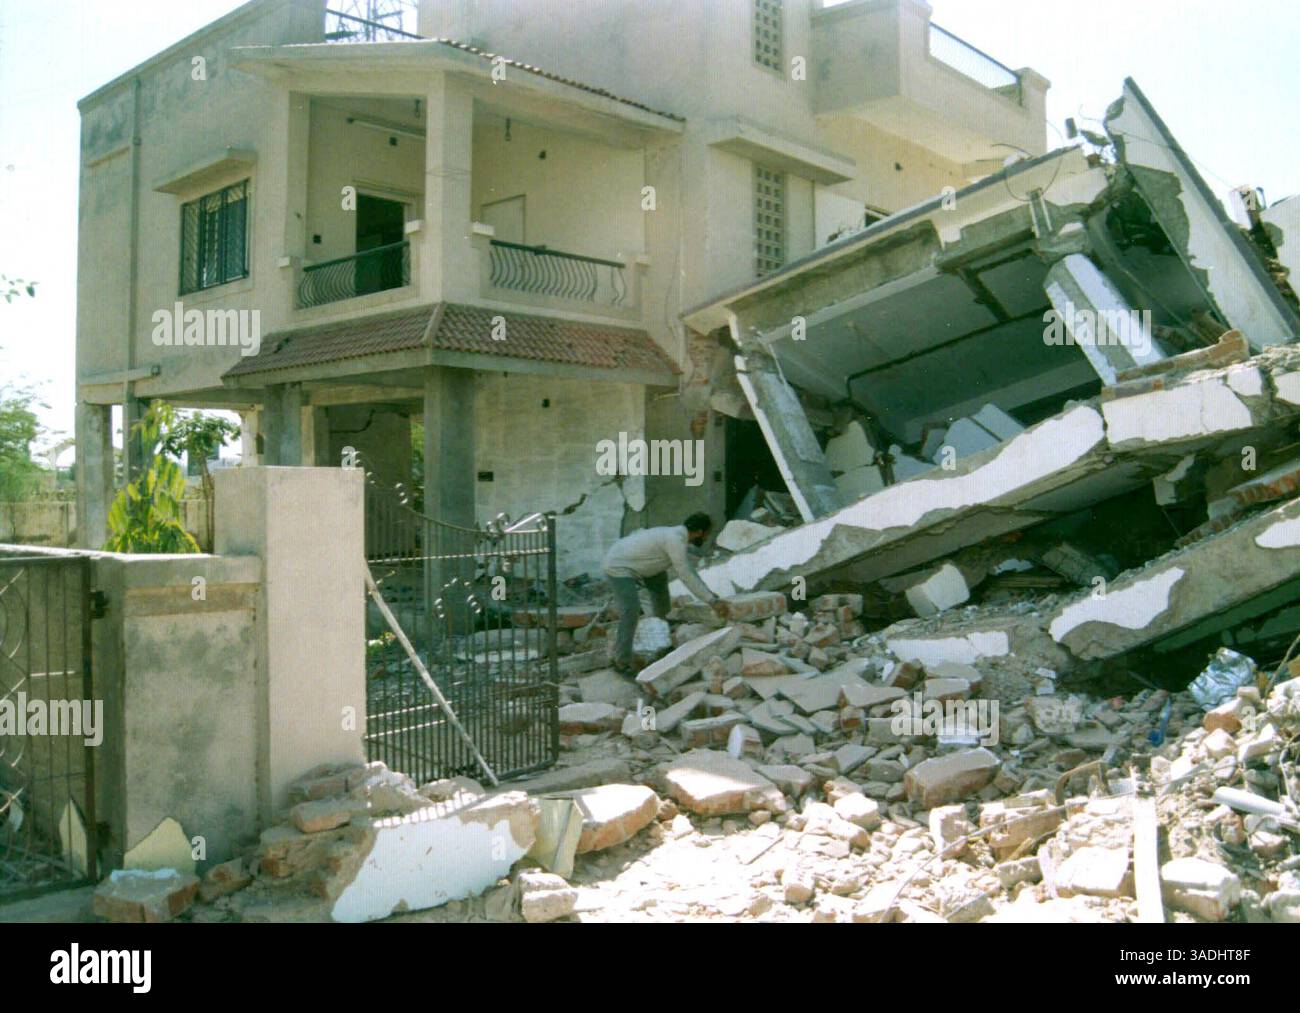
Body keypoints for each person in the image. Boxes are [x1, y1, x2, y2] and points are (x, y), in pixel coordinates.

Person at [603, 513, 727, 676]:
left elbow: (689, 570)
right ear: (699, 532)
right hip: (618, 566)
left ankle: (662, 641)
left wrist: (711, 596)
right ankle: (621, 660)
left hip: (645, 564)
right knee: (631, 610)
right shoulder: (674, 539)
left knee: (662, 602)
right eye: (707, 534)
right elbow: (685, 575)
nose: (706, 538)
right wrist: (711, 601)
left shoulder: (677, 537)